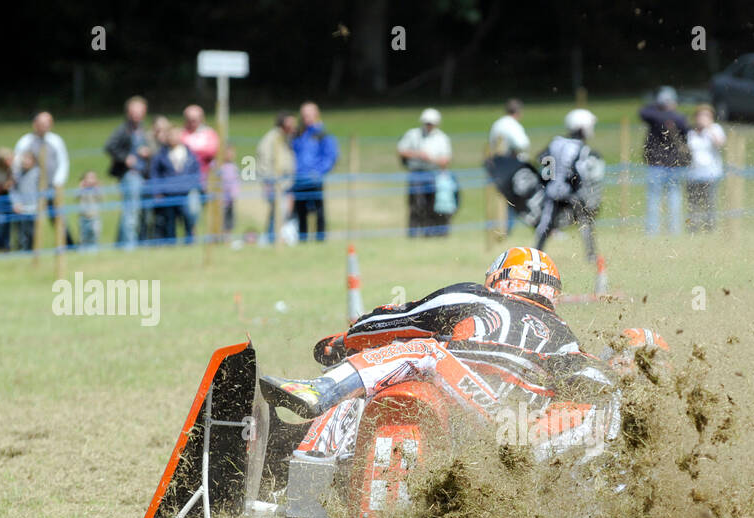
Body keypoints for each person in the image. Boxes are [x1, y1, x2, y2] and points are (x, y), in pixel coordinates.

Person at [257, 247, 622, 469]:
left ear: (500, 278)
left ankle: (317, 398)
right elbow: (596, 385)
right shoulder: (564, 336)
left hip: (485, 411)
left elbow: (391, 321)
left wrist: (345, 341)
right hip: (522, 430)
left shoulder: (476, 297)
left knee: (423, 350)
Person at [533, 109, 601, 262]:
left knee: (545, 224)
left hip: (552, 192)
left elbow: (542, 159)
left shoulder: (556, 142)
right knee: (585, 221)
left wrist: (549, 180)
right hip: (571, 193)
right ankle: (591, 254)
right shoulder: (581, 148)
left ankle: (536, 254)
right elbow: (580, 173)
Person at [13, 111, 73, 246]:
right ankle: (27, 247)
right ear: (35, 124)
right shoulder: (25, 142)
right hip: (31, 190)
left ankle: (68, 245)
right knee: (29, 221)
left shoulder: (55, 141)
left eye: (48, 124)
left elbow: (63, 162)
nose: (45, 127)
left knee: (58, 219)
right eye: (41, 124)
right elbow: (16, 164)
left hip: (52, 188)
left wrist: (58, 182)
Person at [639, 86, 690, 235]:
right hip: (672, 164)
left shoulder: (654, 116)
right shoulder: (679, 118)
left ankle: (652, 232)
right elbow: (686, 131)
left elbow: (642, 112)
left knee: (654, 199)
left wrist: (657, 106)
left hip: (657, 164)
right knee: (673, 198)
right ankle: (674, 231)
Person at [398, 108, 454, 238]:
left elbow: (446, 159)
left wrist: (432, 159)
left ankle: (430, 232)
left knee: (433, 204)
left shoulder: (442, 138)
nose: (428, 126)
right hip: (416, 173)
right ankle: (413, 232)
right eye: (427, 123)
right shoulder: (413, 134)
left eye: (431, 123)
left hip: (433, 174)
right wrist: (418, 155)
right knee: (416, 204)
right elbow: (401, 150)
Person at [104, 96, 151, 249]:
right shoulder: (123, 130)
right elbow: (109, 146)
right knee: (131, 211)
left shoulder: (143, 130)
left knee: (136, 211)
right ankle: (129, 246)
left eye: (140, 111)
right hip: (130, 175)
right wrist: (125, 158)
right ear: (128, 112)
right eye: (134, 111)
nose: (137, 114)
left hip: (144, 175)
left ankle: (121, 244)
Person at [291, 102, 339, 242]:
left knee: (319, 212)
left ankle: (320, 239)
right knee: (300, 213)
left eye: (309, 114)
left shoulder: (322, 134)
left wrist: (318, 172)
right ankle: (302, 240)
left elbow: (330, 156)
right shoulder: (298, 134)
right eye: (303, 114)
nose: (306, 117)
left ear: (316, 114)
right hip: (299, 180)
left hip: (314, 180)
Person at [150, 127, 198, 244]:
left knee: (189, 218)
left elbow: (196, 172)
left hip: (185, 192)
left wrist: (194, 186)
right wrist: (157, 191)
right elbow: (155, 174)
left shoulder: (189, 154)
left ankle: (190, 241)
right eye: (170, 135)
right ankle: (171, 243)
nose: (173, 138)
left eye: (176, 135)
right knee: (169, 221)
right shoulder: (161, 155)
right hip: (168, 193)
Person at [489, 98, 531, 234]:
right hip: (512, 166)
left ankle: (501, 228)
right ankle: (507, 228)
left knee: (502, 198)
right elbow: (522, 144)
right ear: (519, 112)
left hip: (497, 166)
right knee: (514, 199)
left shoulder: (497, 124)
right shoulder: (513, 125)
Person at [685, 104, 727, 232]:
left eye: (706, 115)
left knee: (709, 202)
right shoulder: (691, 132)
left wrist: (708, 128)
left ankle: (709, 228)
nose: (702, 118)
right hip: (693, 173)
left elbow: (720, 143)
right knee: (693, 204)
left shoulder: (715, 129)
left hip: (711, 173)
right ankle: (693, 228)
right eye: (700, 115)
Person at [257, 112, 296, 243]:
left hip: (285, 183)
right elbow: (264, 161)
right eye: (290, 122)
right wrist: (270, 181)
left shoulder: (285, 138)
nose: (293, 126)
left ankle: (277, 238)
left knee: (282, 213)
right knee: (277, 213)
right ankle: (271, 239)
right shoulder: (272, 138)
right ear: (283, 123)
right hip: (275, 183)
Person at [182, 104, 220, 234]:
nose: (193, 122)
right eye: (190, 119)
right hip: (190, 179)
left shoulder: (209, 133)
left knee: (215, 209)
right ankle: (192, 235)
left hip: (209, 177)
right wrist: (201, 153)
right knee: (193, 210)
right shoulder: (182, 134)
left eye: (196, 119)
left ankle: (216, 236)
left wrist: (194, 153)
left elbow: (213, 151)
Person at [8, 150, 40, 251]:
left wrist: (40, 203)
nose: (26, 161)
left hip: (34, 208)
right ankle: (22, 250)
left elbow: (42, 190)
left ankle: (33, 250)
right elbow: (13, 190)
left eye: (28, 159)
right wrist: (15, 203)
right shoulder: (17, 173)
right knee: (21, 233)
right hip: (21, 208)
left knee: (33, 233)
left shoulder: (38, 173)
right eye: (24, 159)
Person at [77, 170, 101, 249]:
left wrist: (97, 188)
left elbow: (101, 198)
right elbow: (77, 197)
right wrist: (81, 187)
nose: (90, 180)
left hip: (94, 216)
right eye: (88, 178)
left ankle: (93, 248)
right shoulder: (82, 190)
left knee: (95, 233)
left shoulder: (95, 190)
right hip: (83, 217)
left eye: (93, 178)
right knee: (83, 235)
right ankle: (83, 249)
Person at [219, 145, 240, 235]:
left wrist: (235, 195)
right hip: (220, 200)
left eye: (232, 152)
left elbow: (236, 183)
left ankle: (228, 238)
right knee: (220, 220)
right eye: (227, 153)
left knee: (229, 220)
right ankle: (219, 237)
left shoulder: (234, 167)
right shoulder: (218, 166)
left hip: (230, 200)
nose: (230, 155)